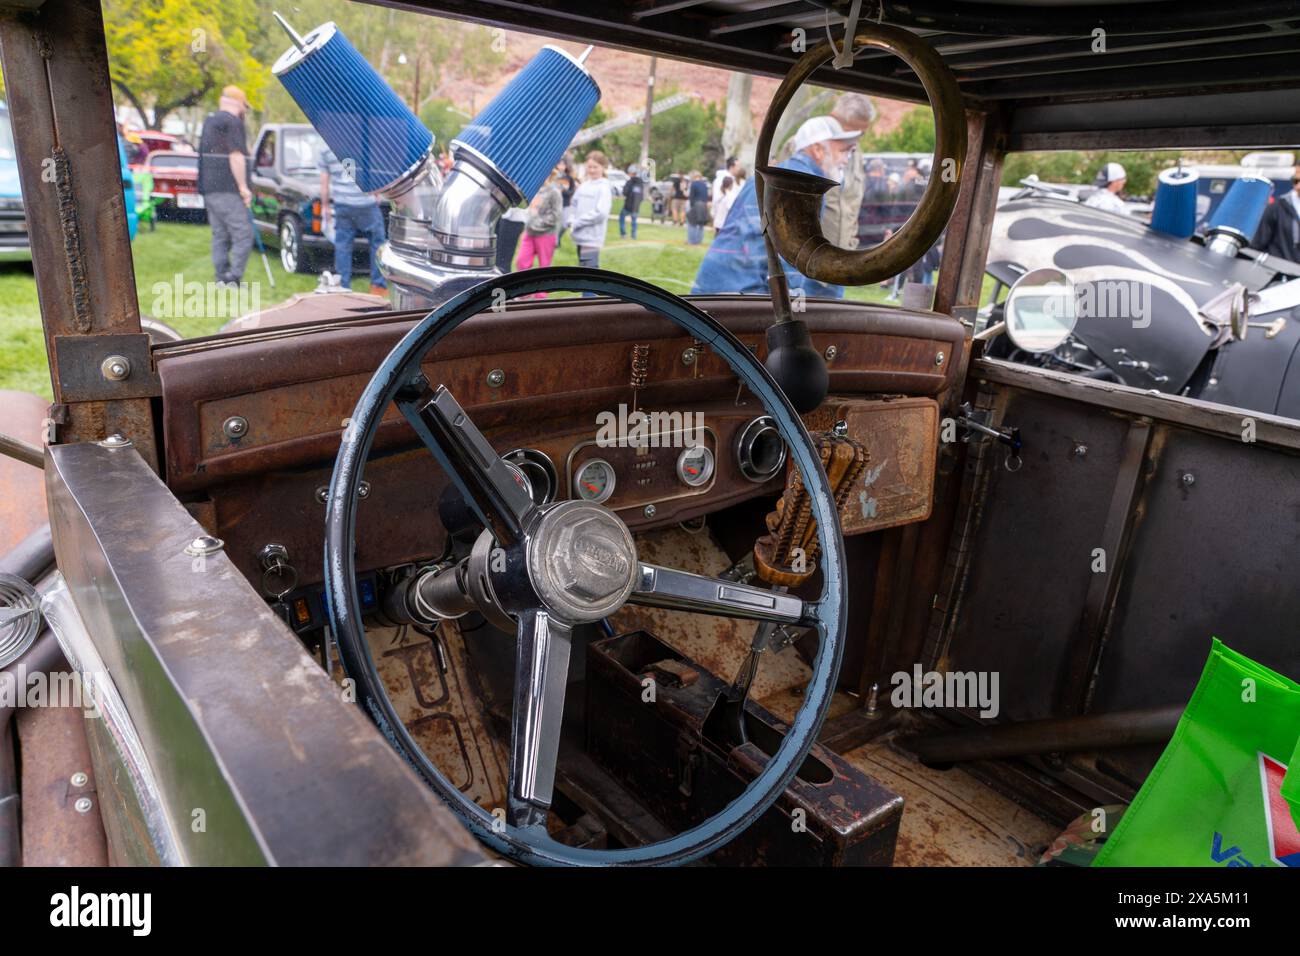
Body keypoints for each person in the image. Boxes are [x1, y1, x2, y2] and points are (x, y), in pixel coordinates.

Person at [692, 115, 860, 298]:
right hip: (741, 293)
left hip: (715, 286)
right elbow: (791, 260)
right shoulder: (804, 184)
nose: (846, 160)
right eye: (843, 151)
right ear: (818, 150)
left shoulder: (777, 174)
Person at [198, 85, 253, 287]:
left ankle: (221, 276)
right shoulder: (232, 122)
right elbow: (236, 156)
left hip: (209, 187)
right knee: (243, 234)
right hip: (228, 189)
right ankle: (234, 277)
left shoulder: (210, 120)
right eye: (244, 107)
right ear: (237, 103)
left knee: (220, 234)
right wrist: (243, 187)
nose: (244, 111)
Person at [318, 145, 387, 295]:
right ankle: (378, 286)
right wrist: (377, 194)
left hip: (343, 205)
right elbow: (374, 173)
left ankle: (343, 287)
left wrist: (325, 207)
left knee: (342, 247)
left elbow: (324, 184)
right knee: (378, 244)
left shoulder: (326, 148)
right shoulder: (363, 144)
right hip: (366, 204)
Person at [820, 93, 873, 250]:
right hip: (804, 263)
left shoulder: (856, 155)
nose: (856, 140)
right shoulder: (803, 147)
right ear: (833, 118)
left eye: (861, 134)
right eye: (851, 131)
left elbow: (853, 207)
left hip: (842, 261)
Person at [570, 150, 613, 291]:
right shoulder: (584, 185)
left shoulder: (604, 187)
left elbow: (601, 213)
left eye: (596, 167)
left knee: (589, 277)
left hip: (592, 238)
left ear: (603, 167)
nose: (592, 170)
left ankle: (590, 308)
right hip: (580, 236)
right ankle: (586, 307)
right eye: (590, 167)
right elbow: (574, 204)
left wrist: (579, 221)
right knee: (583, 275)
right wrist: (572, 219)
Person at [517, 170, 563, 298]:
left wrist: (536, 223)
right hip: (529, 232)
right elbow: (529, 211)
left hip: (546, 234)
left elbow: (556, 216)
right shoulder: (533, 189)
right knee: (522, 261)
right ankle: (523, 292)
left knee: (544, 268)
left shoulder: (554, 192)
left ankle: (540, 298)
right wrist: (526, 228)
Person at [1253, 173, 1300, 264]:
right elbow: (1258, 242)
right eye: (1295, 181)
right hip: (1282, 271)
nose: (1298, 186)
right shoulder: (1277, 207)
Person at [619, 164, 645, 239]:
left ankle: (623, 234)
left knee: (622, 217)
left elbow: (625, 192)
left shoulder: (629, 182)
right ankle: (634, 235)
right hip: (636, 206)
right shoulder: (640, 183)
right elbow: (641, 196)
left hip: (628, 205)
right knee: (634, 221)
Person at [686, 170, 710, 244]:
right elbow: (706, 196)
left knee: (691, 223)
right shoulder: (704, 185)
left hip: (696, 204)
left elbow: (691, 197)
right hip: (704, 205)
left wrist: (691, 207)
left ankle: (691, 240)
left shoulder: (693, 184)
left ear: (693, 177)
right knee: (700, 224)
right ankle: (699, 241)